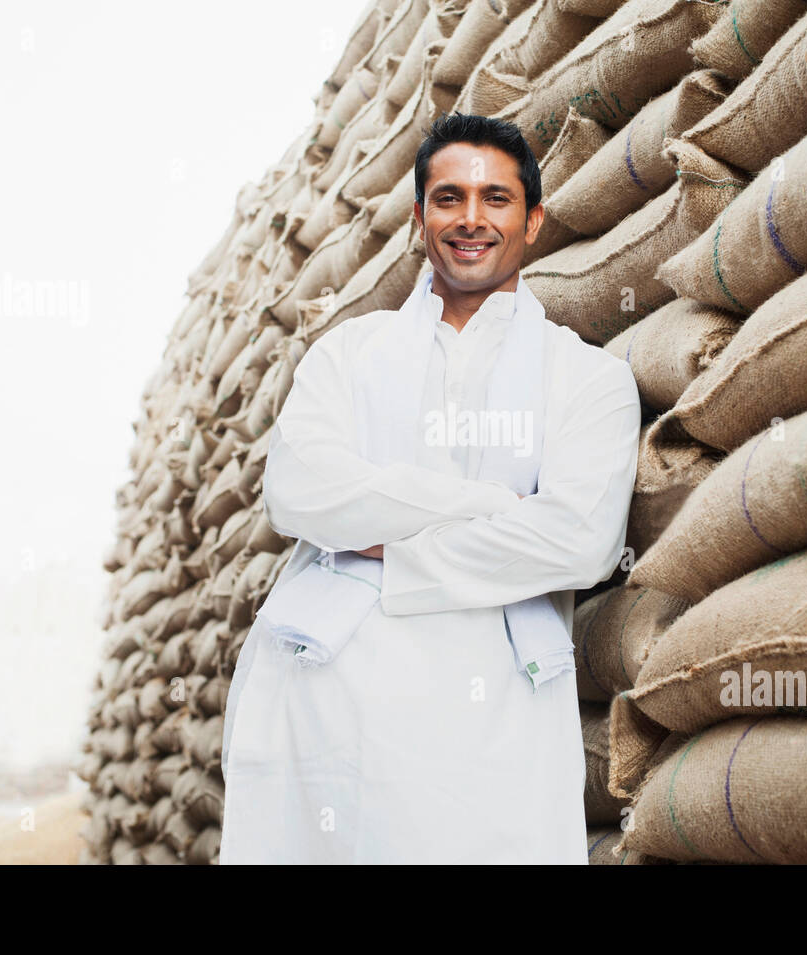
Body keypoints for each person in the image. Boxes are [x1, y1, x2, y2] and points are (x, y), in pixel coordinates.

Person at [219, 113, 641, 864]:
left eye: (496, 199)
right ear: (419, 219)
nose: (470, 219)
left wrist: (389, 554)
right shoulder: (347, 354)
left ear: (534, 220)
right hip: (332, 706)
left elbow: (579, 540)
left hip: (499, 717)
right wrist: (486, 507)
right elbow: (299, 491)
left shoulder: (588, 379)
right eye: (448, 198)